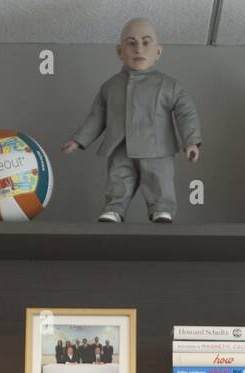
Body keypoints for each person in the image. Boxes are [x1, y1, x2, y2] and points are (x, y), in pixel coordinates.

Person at [62, 17, 201, 223]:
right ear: (120, 52)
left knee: (159, 181)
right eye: (131, 43)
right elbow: (96, 117)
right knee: (118, 180)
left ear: (158, 52)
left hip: (157, 148)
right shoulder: (110, 87)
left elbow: (186, 112)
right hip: (121, 145)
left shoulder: (169, 86)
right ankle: (114, 208)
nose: (139, 49)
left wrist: (191, 141)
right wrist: (78, 140)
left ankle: (162, 209)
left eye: (146, 42)